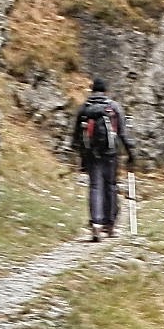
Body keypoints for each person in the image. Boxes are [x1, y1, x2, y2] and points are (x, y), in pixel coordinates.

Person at [69, 77, 137, 240]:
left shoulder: (84, 108)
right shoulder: (113, 107)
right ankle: (110, 225)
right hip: (110, 153)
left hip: (91, 154)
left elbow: (76, 136)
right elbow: (122, 134)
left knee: (95, 186)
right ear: (106, 91)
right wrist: (131, 154)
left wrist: (78, 155)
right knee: (110, 186)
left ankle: (96, 225)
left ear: (92, 91)